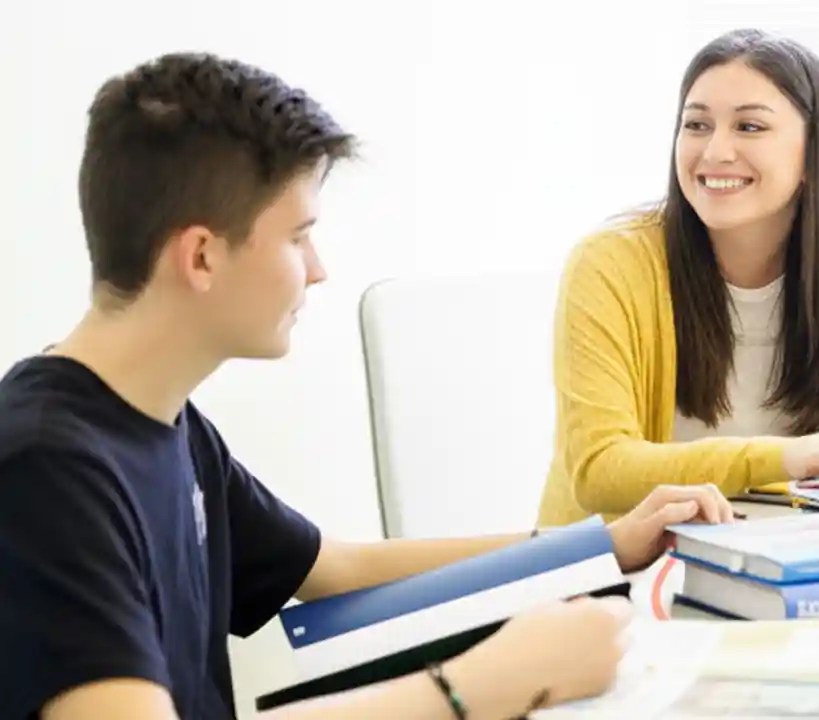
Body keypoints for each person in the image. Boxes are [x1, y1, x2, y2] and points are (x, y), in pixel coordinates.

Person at [0, 53, 734, 720]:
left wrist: (599, 546)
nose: (317, 268)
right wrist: (477, 685)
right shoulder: (49, 470)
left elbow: (336, 568)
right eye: (297, 236)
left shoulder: (167, 426)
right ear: (201, 256)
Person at [537, 28, 819, 527]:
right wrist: (781, 458)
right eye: (696, 125)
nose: (715, 151)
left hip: (784, 570)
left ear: (813, 153)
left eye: (750, 127)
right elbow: (598, 470)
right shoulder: (610, 266)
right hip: (611, 578)